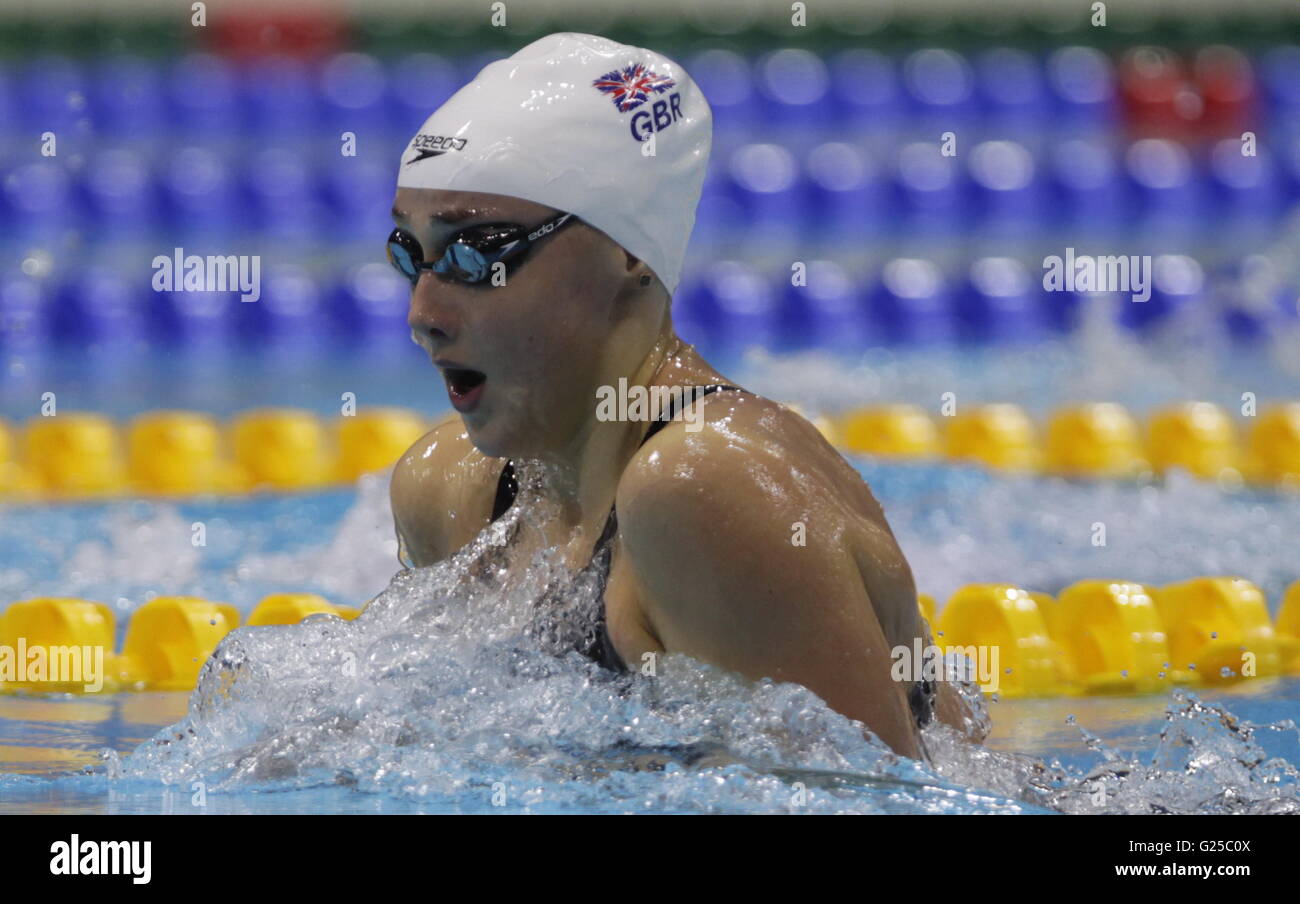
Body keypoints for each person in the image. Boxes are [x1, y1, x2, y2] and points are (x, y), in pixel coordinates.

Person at [387, 32, 984, 760]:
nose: (422, 315)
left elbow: (886, 807)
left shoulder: (702, 488)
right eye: (409, 254)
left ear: (628, 251)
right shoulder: (449, 493)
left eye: (479, 252)